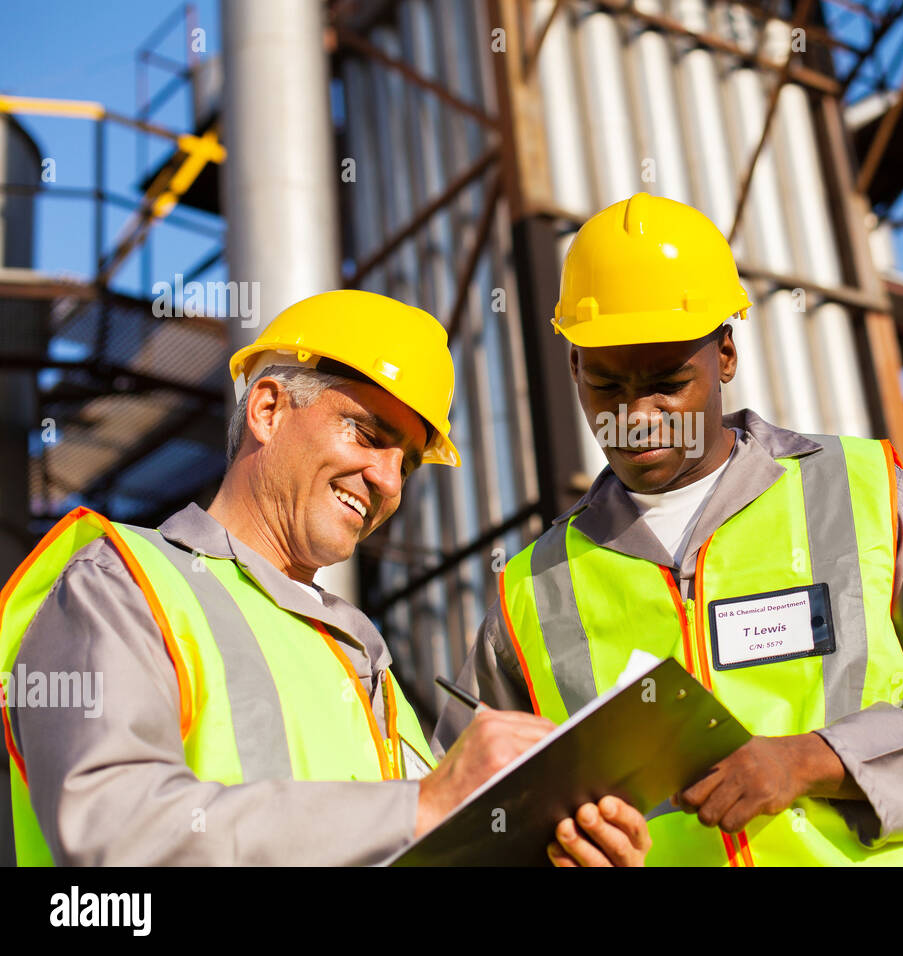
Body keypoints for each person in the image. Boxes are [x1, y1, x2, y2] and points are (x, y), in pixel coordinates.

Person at [434, 193, 903, 866]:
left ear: (724, 354)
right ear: (575, 368)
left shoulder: (860, 490)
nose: (638, 416)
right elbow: (459, 828)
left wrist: (815, 760)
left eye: (669, 382)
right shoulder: (531, 591)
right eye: (608, 386)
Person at [0, 289, 649, 867]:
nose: (390, 483)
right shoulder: (121, 583)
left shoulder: (365, 668)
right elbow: (114, 832)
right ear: (268, 409)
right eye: (367, 435)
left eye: (408, 464)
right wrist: (419, 805)